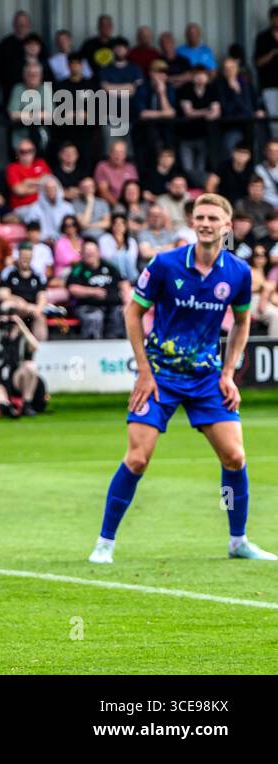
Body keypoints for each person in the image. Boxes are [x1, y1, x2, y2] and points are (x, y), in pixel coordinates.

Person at [89, 193, 274, 564]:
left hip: (206, 378)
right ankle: (104, 543)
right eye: (200, 217)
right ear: (193, 223)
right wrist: (143, 370)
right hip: (159, 376)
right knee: (138, 459)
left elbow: (242, 322)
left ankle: (238, 541)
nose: (206, 223)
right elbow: (132, 313)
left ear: (227, 225)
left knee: (235, 457)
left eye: (213, 218)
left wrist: (229, 373)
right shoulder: (164, 265)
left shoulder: (238, 272)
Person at [0, 311, 42, 418]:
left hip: (14, 377)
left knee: (30, 367)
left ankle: (26, 405)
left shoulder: (22, 338)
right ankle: (6, 407)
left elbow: (35, 347)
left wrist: (21, 325)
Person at [66, 238, 125, 339]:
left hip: (113, 305)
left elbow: (123, 283)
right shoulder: (78, 269)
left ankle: (115, 346)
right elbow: (72, 288)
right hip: (87, 306)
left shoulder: (109, 266)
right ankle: (93, 348)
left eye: (92, 252)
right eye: (87, 252)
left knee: (120, 314)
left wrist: (127, 302)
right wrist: (92, 292)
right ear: (82, 254)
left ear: (98, 252)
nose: (90, 254)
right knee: (94, 317)